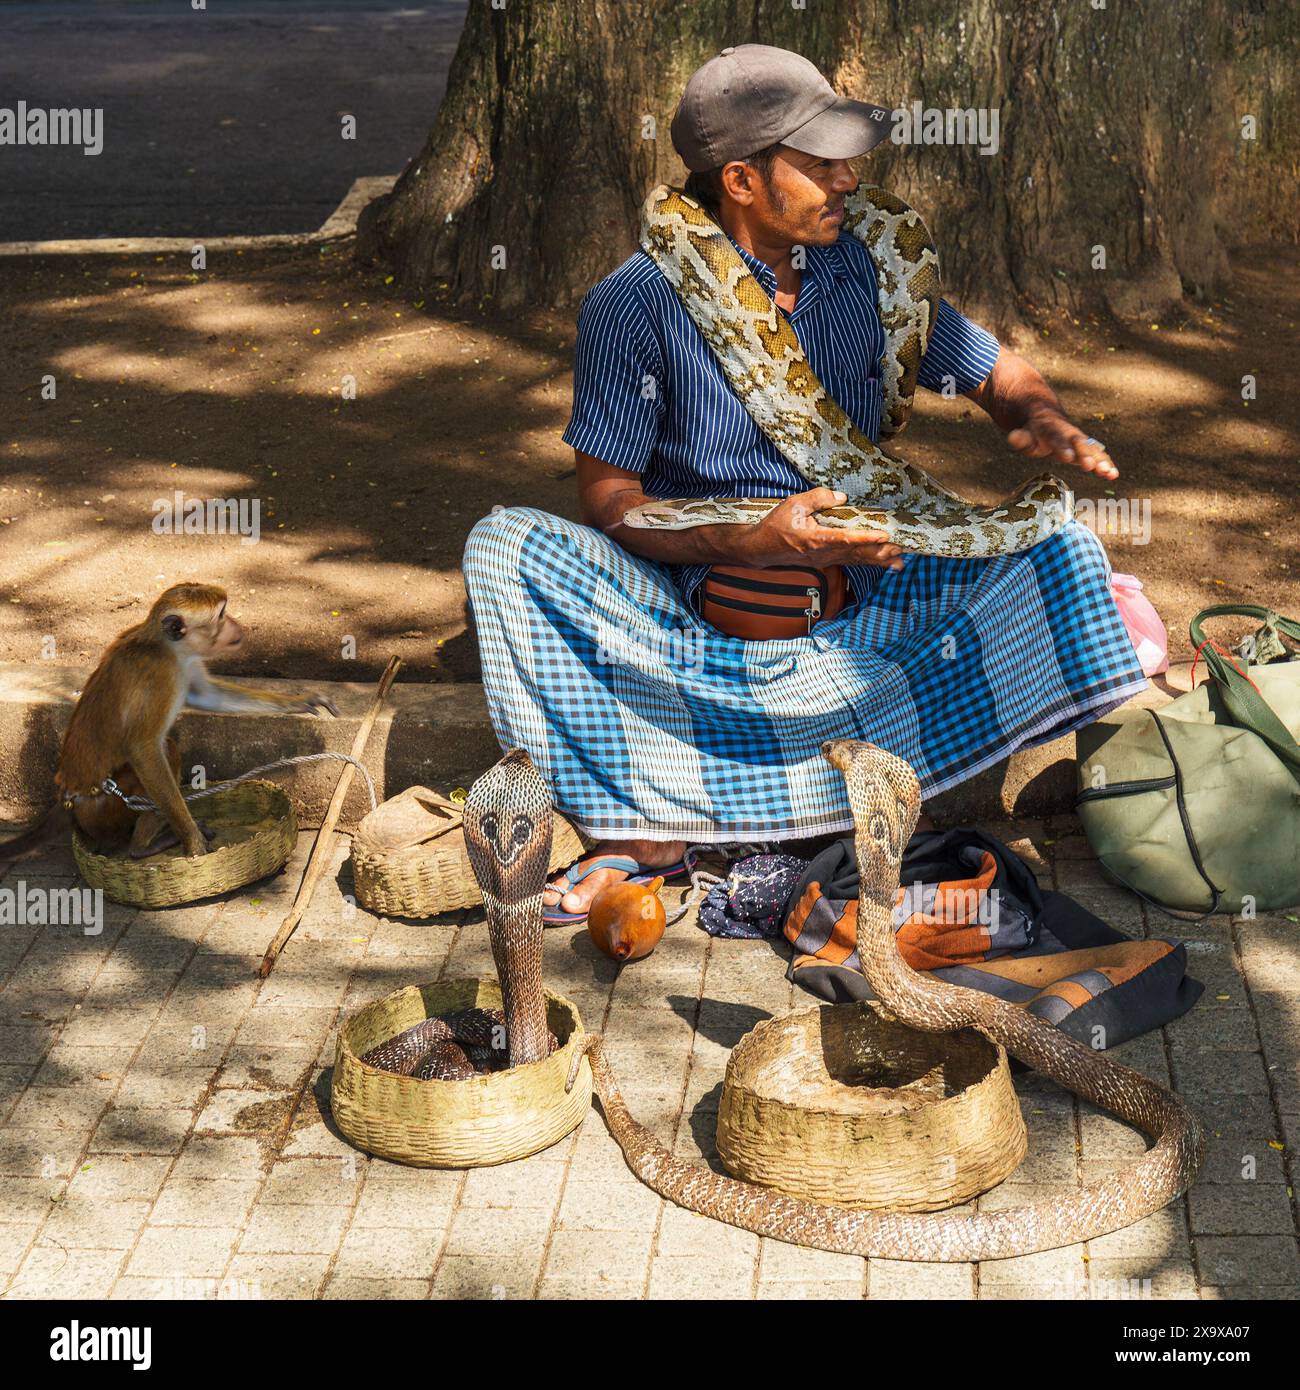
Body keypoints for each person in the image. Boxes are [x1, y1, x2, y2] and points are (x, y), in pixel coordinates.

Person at [463, 44, 1146, 925]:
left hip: (866, 617)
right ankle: (648, 836)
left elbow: (989, 368)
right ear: (740, 181)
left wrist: (1035, 414)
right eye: (821, 164)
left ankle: (851, 786)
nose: (850, 179)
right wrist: (746, 536)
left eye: (849, 159)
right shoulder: (634, 305)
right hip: (693, 639)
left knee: (1060, 545)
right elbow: (609, 505)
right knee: (504, 546)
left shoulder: (869, 272)